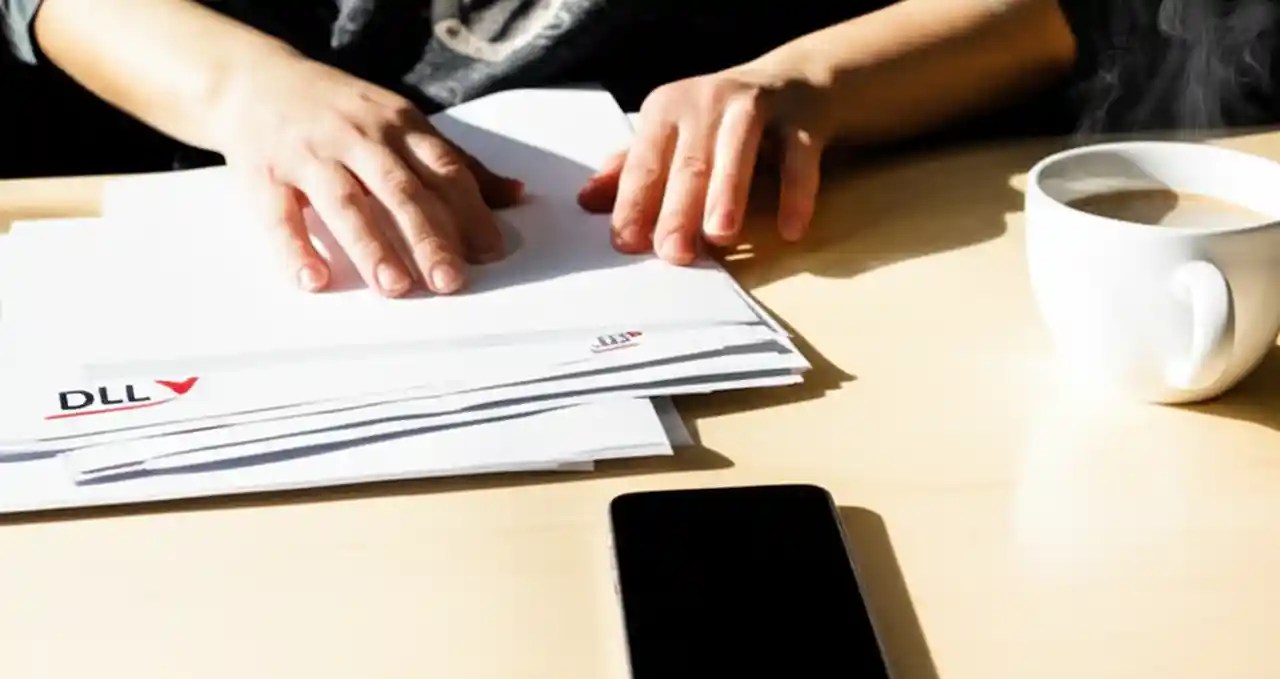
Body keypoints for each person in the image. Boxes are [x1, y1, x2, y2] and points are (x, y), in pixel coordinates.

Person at [2, 0, 1082, 297]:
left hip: (761, 257)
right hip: (281, 245)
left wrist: (807, 81)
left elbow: (1062, 15)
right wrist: (249, 86)